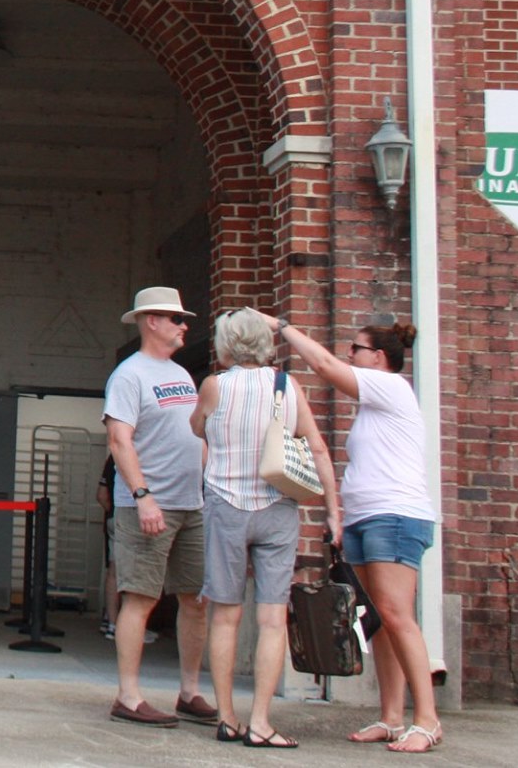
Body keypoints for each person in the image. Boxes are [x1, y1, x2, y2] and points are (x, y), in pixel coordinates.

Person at [281, 317, 443, 754]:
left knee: (396, 613)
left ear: (379, 357)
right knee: (379, 621)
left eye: (356, 348)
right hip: (366, 519)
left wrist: (282, 327)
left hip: (395, 517)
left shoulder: (391, 386)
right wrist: (341, 518)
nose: (350, 354)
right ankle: (391, 718)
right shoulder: (373, 406)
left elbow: (324, 366)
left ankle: (427, 721)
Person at [190, 308, 337, 748]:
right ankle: (260, 723)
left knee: (225, 614)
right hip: (277, 506)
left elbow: (197, 428)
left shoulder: (214, 386)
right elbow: (318, 448)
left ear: (226, 344)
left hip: (226, 505)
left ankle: (226, 717)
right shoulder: (286, 385)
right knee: (272, 618)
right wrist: (333, 510)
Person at [103, 285, 213, 728]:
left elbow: (195, 437)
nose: (184, 326)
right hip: (149, 506)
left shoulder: (182, 374)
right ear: (152, 321)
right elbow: (119, 440)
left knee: (196, 598)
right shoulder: (129, 376)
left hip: (191, 504)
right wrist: (142, 495)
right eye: (177, 319)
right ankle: (128, 696)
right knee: (140, 598)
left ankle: (189, 692)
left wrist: (211, 484)